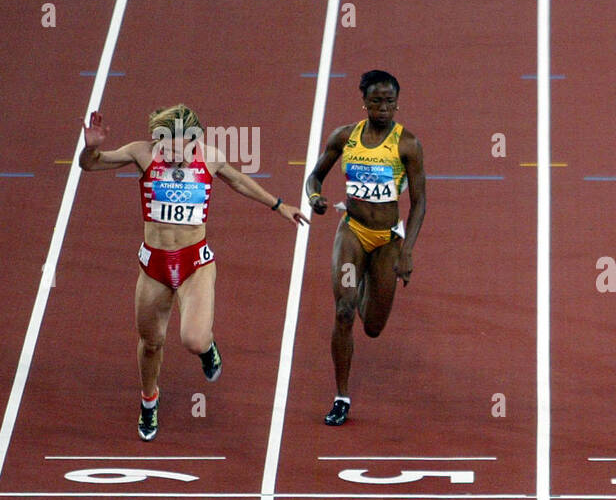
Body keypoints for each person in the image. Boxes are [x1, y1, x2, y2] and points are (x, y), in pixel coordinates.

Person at [79, 105, 310, 441]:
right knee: (151, 343)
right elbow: (91, 165)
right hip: (154, 266)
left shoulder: (210, 157)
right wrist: (91, 146)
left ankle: (208, 349)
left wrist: (279, 205)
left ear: (193, 141)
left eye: (178, 147)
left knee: (194, 338)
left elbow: (239, 181)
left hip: (194, 265)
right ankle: (148, 401)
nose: (171, 154)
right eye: (165, 147)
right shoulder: (141, 153)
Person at [305, 70, 426, 426]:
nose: (384, 108)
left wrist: (408, 250)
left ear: (397, 103)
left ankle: (361, 285)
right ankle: (341, 397)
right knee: (343, 312)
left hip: (388, 238)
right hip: (353, 231)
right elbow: (315, 175)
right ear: (364, 102)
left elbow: (419, 202)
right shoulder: (345, 137)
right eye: (376, 101)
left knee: (373, 326)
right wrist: (314, 196)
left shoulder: (408, 145)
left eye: (390, 101)